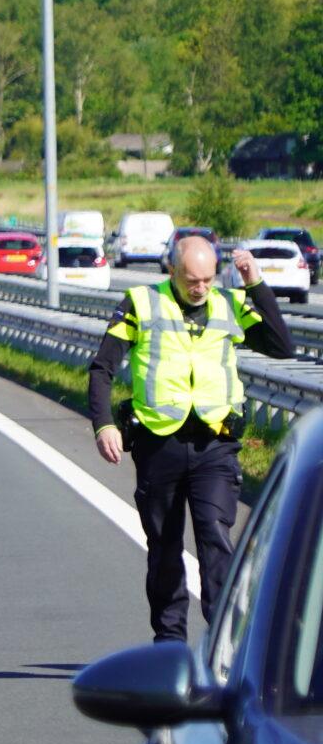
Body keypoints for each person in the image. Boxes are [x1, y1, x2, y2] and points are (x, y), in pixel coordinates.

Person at [90, 238, 296, 641]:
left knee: (215, 538)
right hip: (159, 444)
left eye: (207, 279)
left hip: (214, 445)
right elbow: (102, 368)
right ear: (172, 272)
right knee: (164, 547)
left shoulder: (230, 304)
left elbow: (281, 345)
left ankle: (224, 643)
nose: (200, 288)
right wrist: (103, 424)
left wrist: (255, 283)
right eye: (191, 281)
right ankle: (169, 643)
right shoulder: (141, 303)